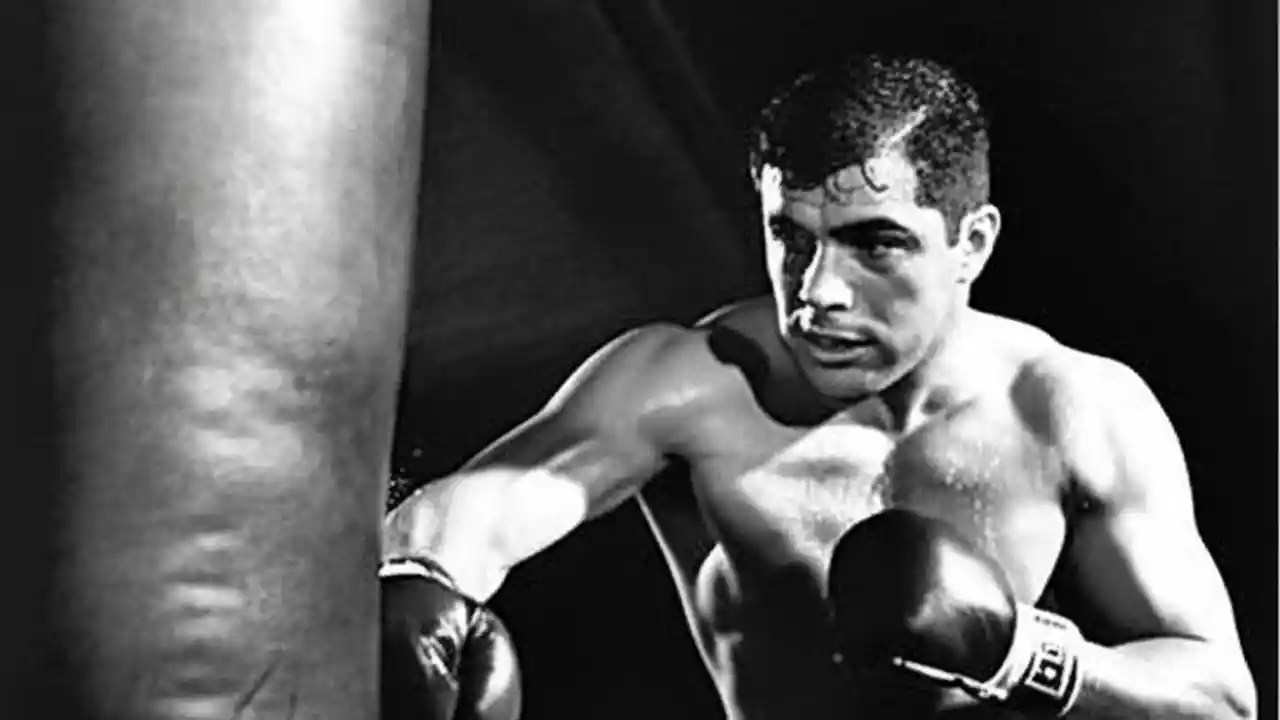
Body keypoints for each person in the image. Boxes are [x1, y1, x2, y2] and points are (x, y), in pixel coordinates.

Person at [379, 55, 1257, 719]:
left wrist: (1014, 648)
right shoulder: (694, 382)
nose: (817, 291)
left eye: (876, 243)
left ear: (972, 245)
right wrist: (417, 582)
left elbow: (1220, 696)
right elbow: (486, 508)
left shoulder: (1069, 412)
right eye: (791, 237)